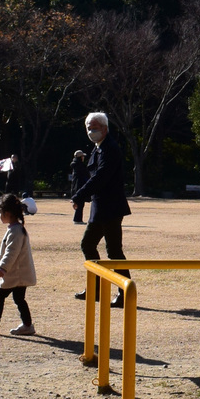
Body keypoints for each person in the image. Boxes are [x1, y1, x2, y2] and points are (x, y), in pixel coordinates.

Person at [71, 112, 132, 305]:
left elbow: (101, 177)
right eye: (89, 127)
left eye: (95, 127)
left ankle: (125, 293)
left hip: (111, 207)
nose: (91, 131)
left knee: (114, 251)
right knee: (88, 245)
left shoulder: (110, 149)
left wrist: (79, 195)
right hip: (100, 207)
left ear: (105, 128)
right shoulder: (98, 148)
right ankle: (96, 288)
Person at [0, 193, 38, 336]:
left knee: (0, 295)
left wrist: (3, 268)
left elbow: (11, 252)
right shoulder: (17, 229)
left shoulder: (15, 231)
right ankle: (27, 325)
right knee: (19, 299)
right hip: (20, 273)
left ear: (7, 213)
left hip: (15, 273)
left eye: (0, 213)